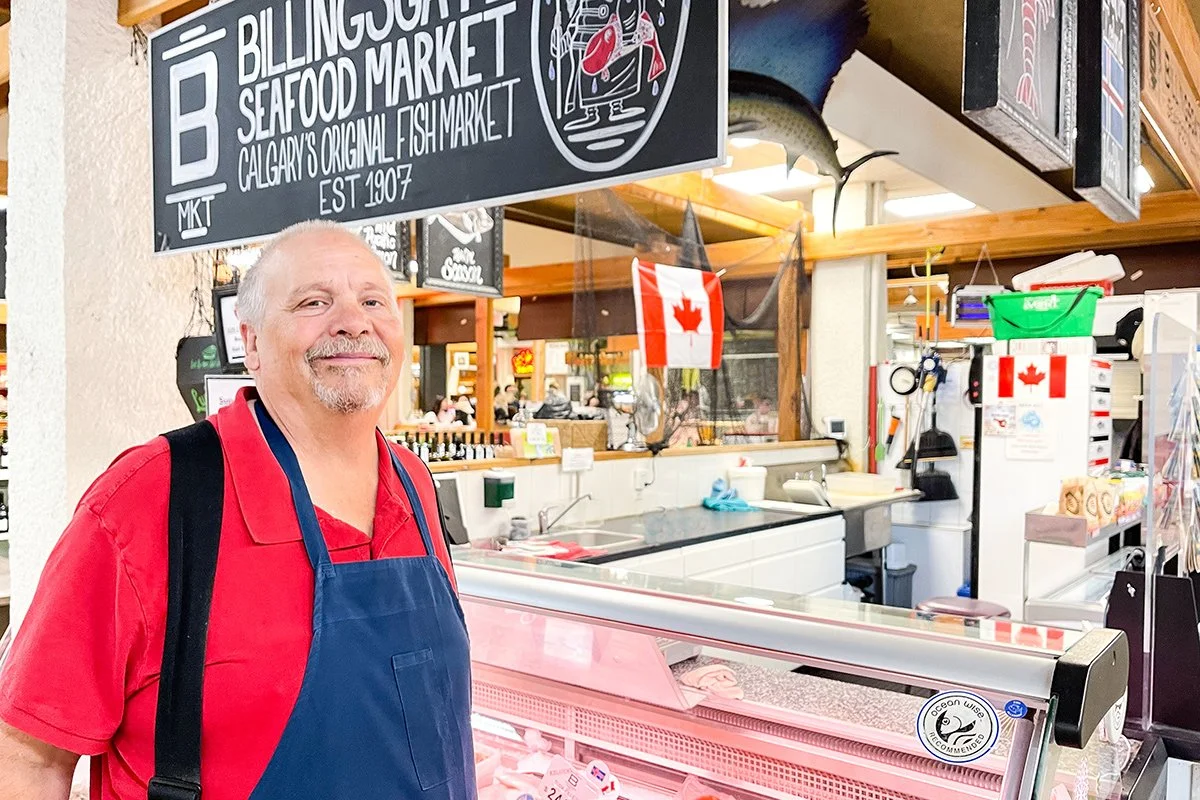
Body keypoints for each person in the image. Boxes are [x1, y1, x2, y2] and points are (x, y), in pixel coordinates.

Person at [0, 221, 473, 799]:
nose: (353, 321)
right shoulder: (152, 498)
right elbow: (26, 756)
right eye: (314, 302)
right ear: (251, 343)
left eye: (373, 301)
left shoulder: (415, 483)